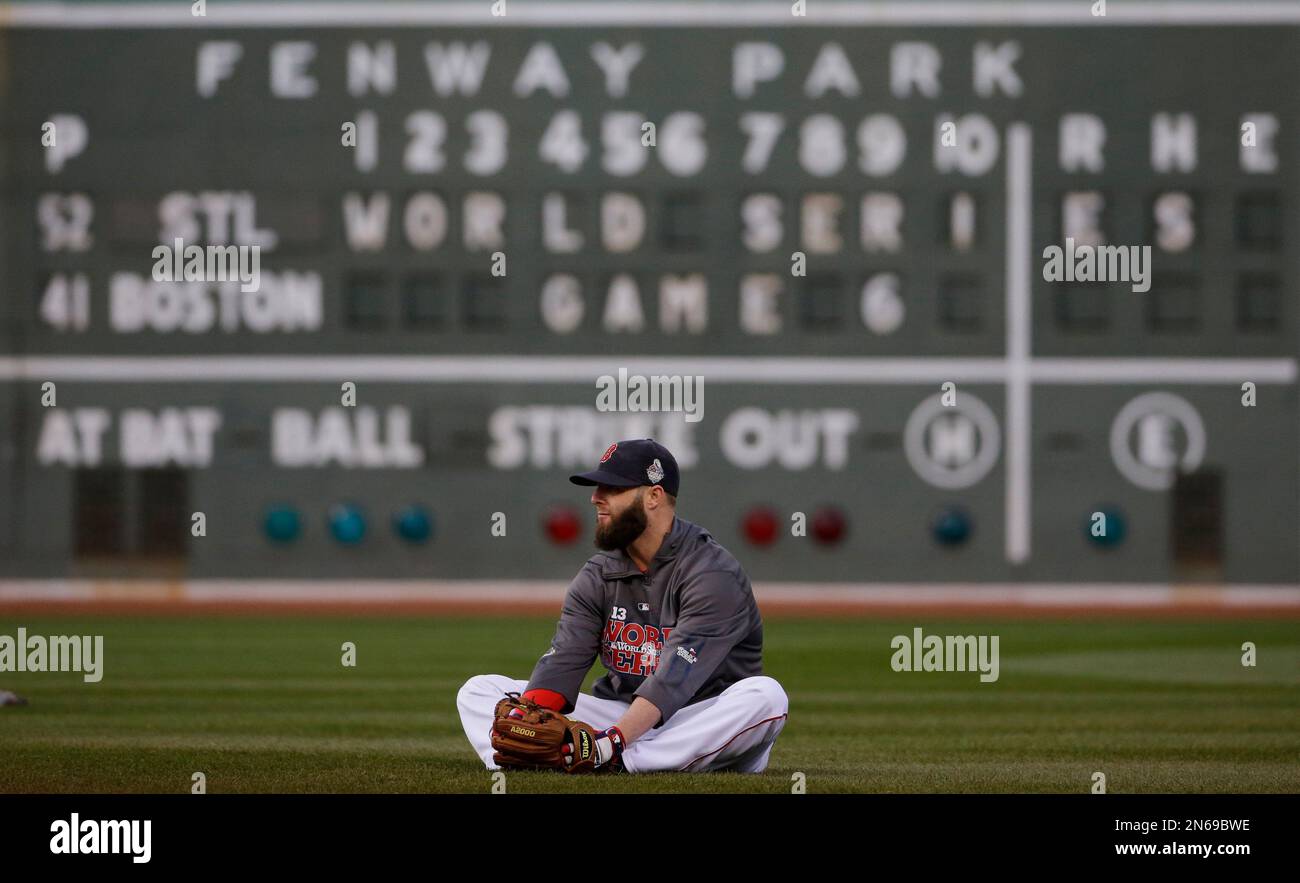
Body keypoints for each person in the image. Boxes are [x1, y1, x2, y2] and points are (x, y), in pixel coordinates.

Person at [457, 438, 788, 773]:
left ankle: (615, 759)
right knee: (480, 691)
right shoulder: (598, 574)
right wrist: (527, 718)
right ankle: (534, 758)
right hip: (623, 713)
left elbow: (673, 680)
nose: (596, 498)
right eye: (599, 487)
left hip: (700, 723)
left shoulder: (712, 573)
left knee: (766, 697)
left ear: (653, 496)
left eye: (612, 488)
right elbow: (564, 661)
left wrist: (612, 743)